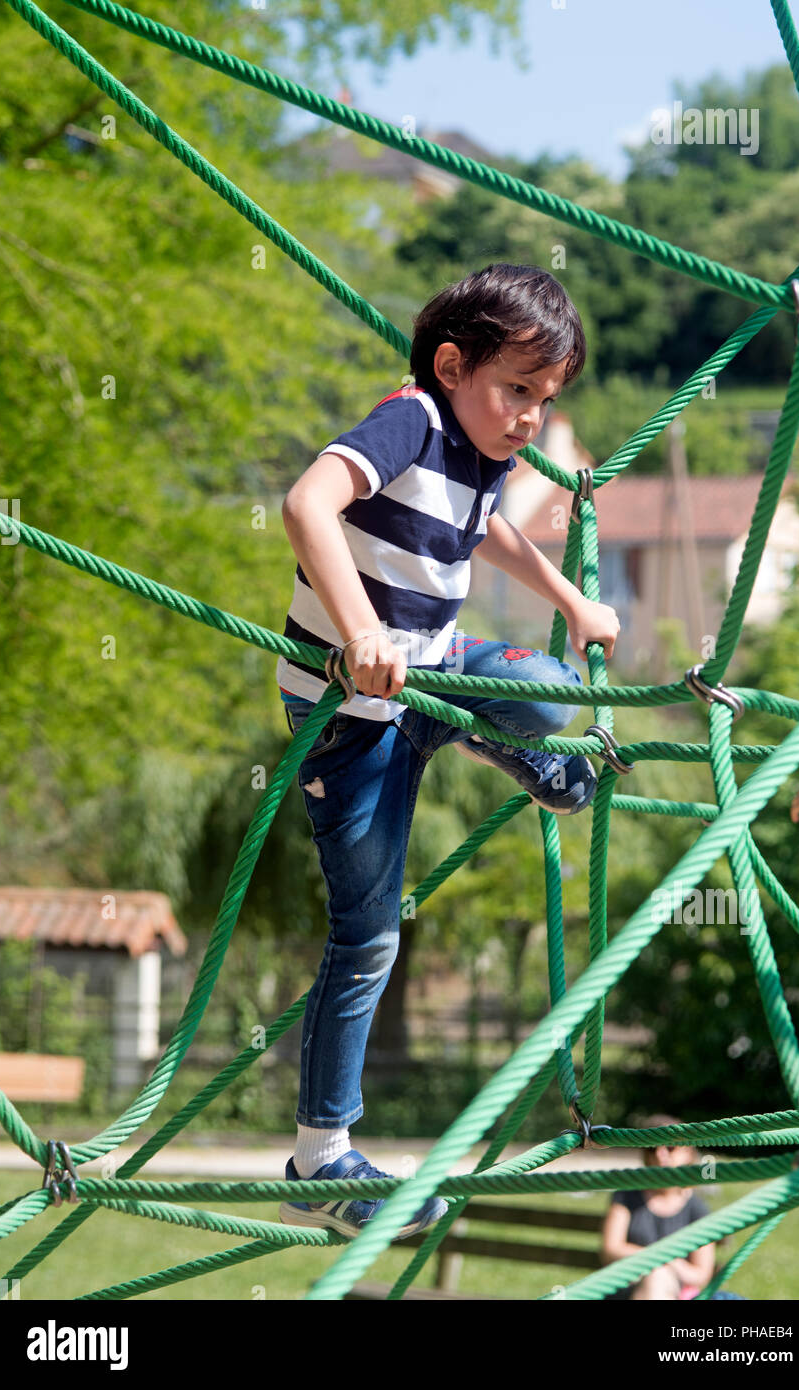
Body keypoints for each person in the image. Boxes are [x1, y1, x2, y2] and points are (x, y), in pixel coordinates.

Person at [275, 263, 620, 1239]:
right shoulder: (414, 420)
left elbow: (488, 532)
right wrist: (356, 631)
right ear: (450, 364)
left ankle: (492, 739)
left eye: (542, 401)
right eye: (515, 391)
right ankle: (319, 1156)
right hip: (349, 720)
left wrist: (568, 599)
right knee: (367, 934)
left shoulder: (484, 453)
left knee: (551, 696)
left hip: (433, 671)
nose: (525, 419)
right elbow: (307, 502)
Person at [600, 1115, 716, 1299]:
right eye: (653, 1147)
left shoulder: (696, 1208)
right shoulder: (626, 1196)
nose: (660, 1154)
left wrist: (662, 1264)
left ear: (687, 1153)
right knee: (657, 1276)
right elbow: (611, 1250)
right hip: (626, 1285)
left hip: (672, 1289)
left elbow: (701, 1274)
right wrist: (661, 1259)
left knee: (658, 1278)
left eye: (670, 1147)